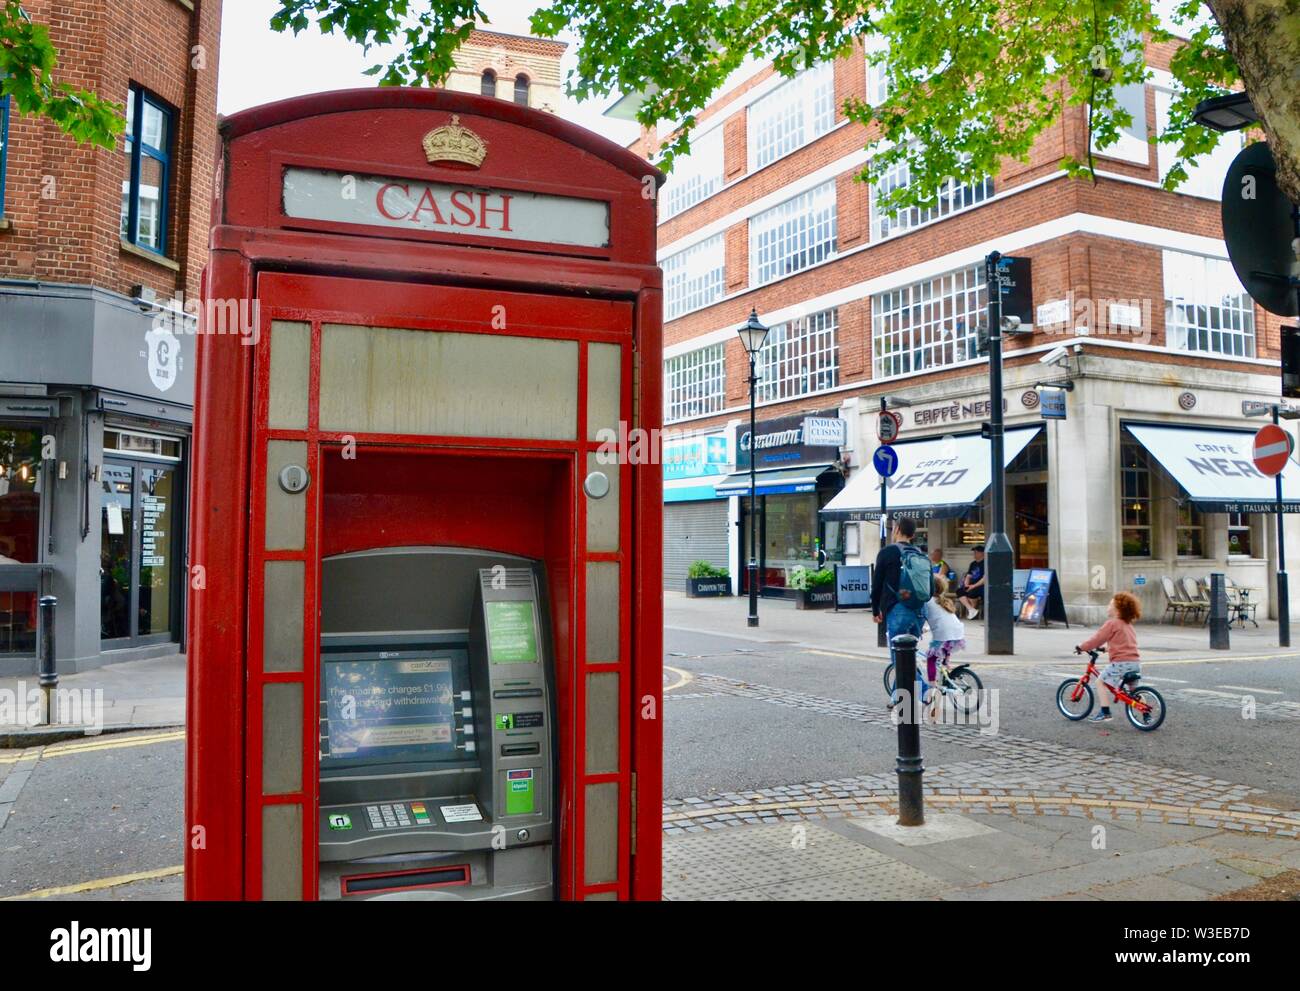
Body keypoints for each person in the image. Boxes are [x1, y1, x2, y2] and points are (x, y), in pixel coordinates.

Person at [873, 517, 933, 705]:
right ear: (913, 534)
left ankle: (924, 690)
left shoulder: (887, 553)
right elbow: (930, 587)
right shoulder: (920, 553)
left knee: (899, 657)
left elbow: (877, 585)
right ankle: (896, 696)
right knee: (908, 654)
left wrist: (876, 609)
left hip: (898, 610)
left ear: (896, 529)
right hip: (919, 611)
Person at [1075, 591, 1142, 723]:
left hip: (1120, 663)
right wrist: (1107, 649)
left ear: (1118, 609)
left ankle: (1105, 712)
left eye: (1110, 605)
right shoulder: (1127, 625)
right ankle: (1146, 714)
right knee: (1134, 692)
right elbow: (1126, 644)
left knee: (1100, 682)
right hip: (1135, 663)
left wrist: (1082, 647)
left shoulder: (1111, 623)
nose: (1107, 607)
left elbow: (1097, 639)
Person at [957, 544, 987, 617]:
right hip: (971, 585)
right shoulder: (973, 564)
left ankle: (973, 611)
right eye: (974, 552)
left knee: (972, 592)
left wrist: (973, 586)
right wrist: (966, 585)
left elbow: (985, 579)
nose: (974, 554)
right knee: (960, 591)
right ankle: (971, 609)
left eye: (976, 552)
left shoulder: (986, 563)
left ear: (982, 553)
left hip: (981, 586)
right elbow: (968, 576)